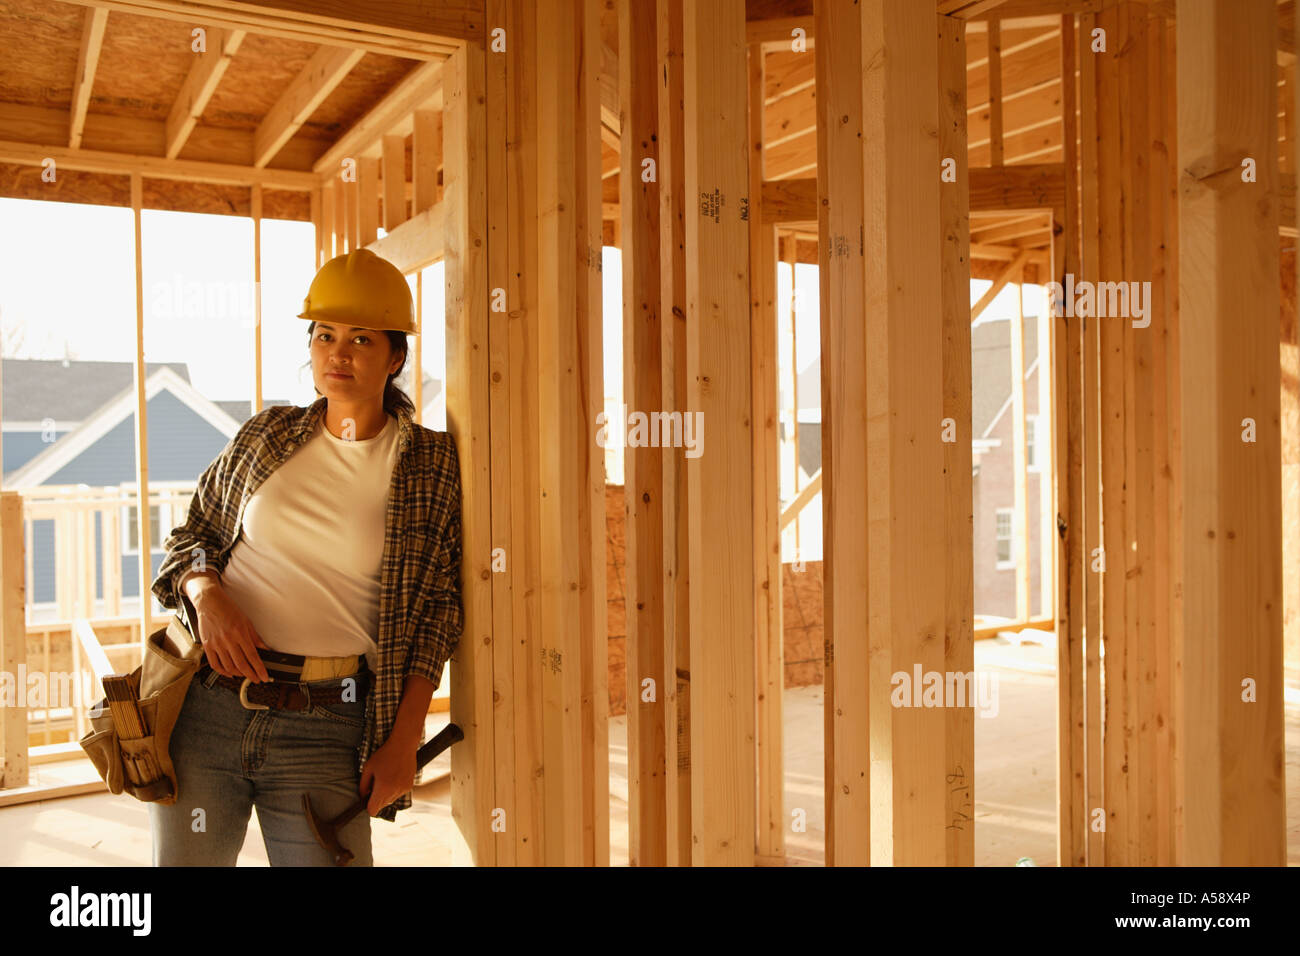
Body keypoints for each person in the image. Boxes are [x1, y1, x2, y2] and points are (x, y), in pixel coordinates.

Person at [147, 248, 464, 866]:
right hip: (208, 709)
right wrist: (206, 594)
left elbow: (439, 614)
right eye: (324, 336)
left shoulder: (429, 466)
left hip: (329, 722)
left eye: (361, 339)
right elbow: (190, 537)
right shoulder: (267, 434)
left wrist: (404, 740)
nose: (337, 354)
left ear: (395, 356)